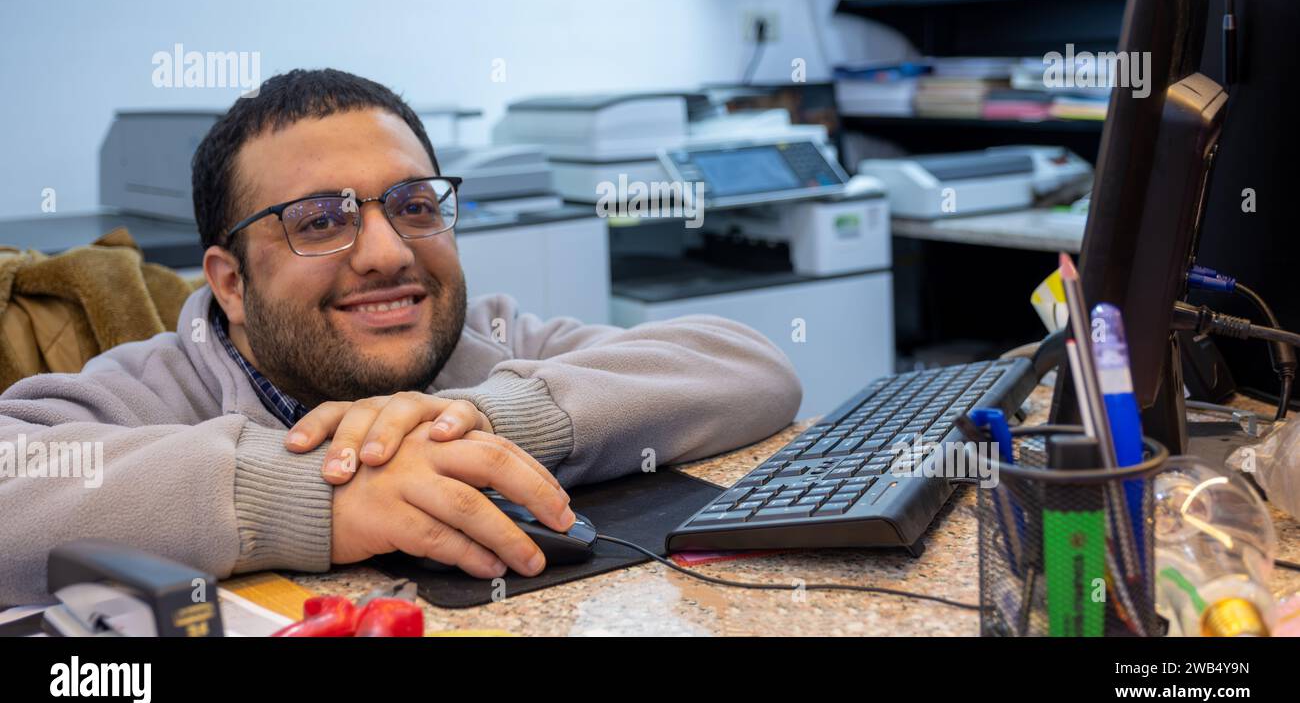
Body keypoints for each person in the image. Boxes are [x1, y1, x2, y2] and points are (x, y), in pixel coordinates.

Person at [0, 69, 802, 605]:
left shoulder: (485, 345)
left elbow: (751, 366)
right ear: (230, 283)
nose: (388, 253)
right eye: (320, 220)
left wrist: (492, 420)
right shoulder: (150, 386)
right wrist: (311, 490)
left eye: (415, 205)